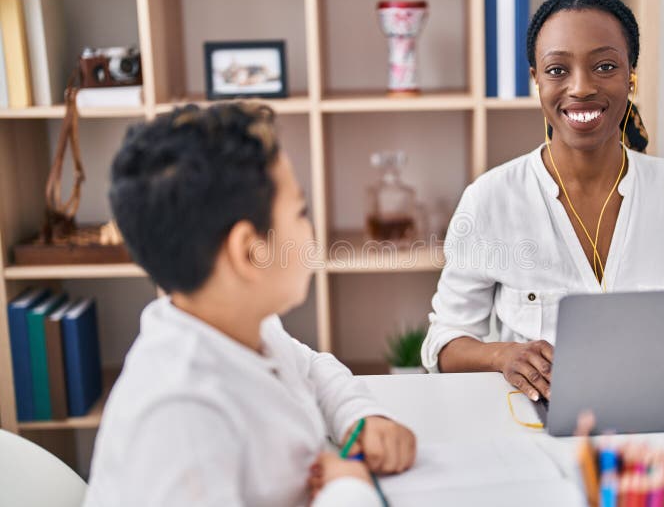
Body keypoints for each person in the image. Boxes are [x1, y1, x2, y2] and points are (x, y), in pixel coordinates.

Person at [82, 103, 415, 507]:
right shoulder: (180, 418)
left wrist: (359, 418)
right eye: (301, 212)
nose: (312, 229)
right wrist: (349, 489)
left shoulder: (243, 328)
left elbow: (310, 368)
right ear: (249, 252)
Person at [421, 0, 664, 401]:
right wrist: (504, 355)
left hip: (656, 416)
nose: (581, 88)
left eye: (605, 66)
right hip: (536, 425)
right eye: (558, 70)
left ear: (631, 73)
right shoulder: (490, 199)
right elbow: (444, 343)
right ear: (536, 80)